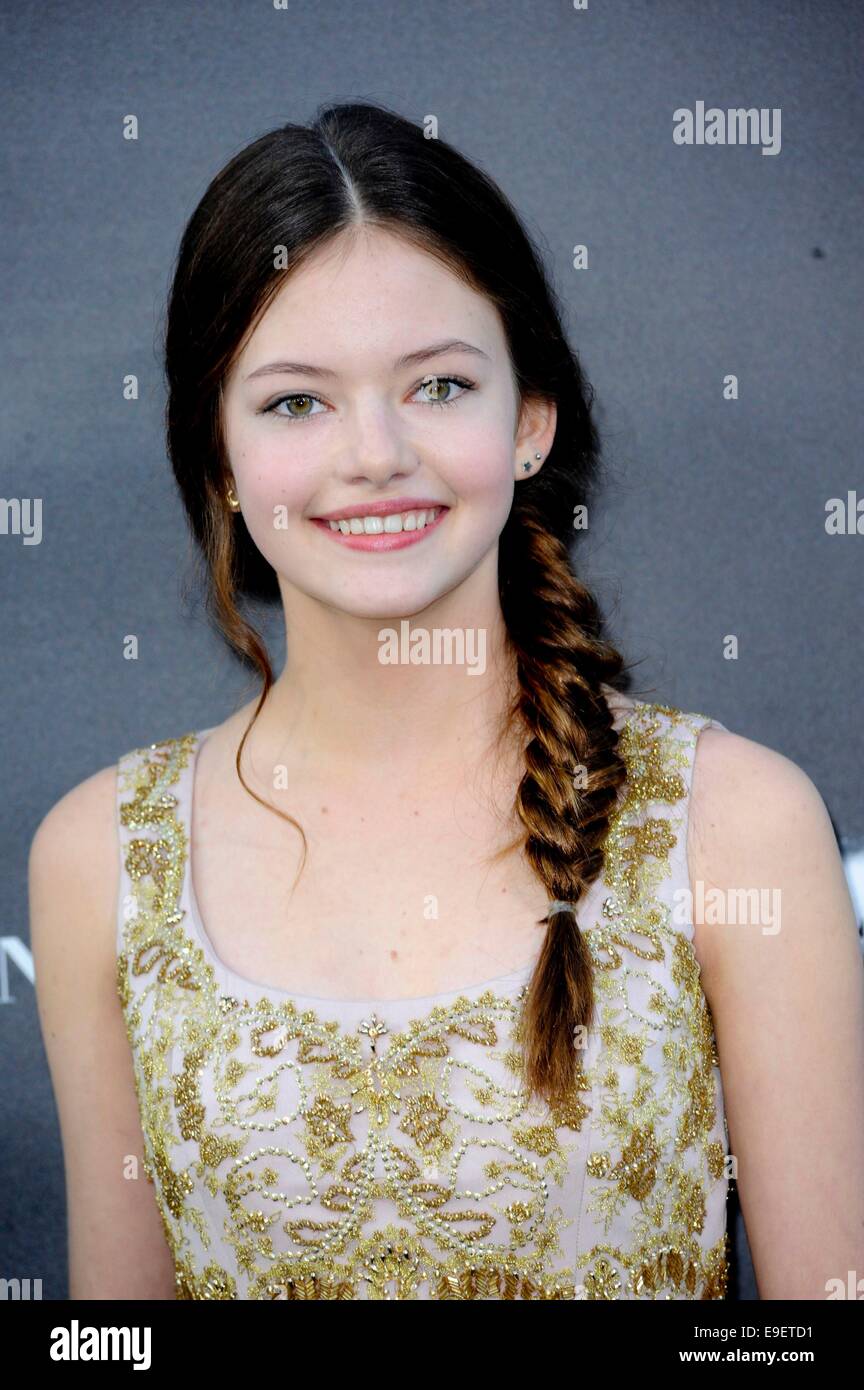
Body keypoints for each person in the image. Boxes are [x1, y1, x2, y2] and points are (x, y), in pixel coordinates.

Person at [29, 100, 864, 1301]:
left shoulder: (736, 826)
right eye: (296, 401)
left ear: (530, 420)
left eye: (438, 385)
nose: (375, 453)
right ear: (219, 456)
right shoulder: (99, 858)